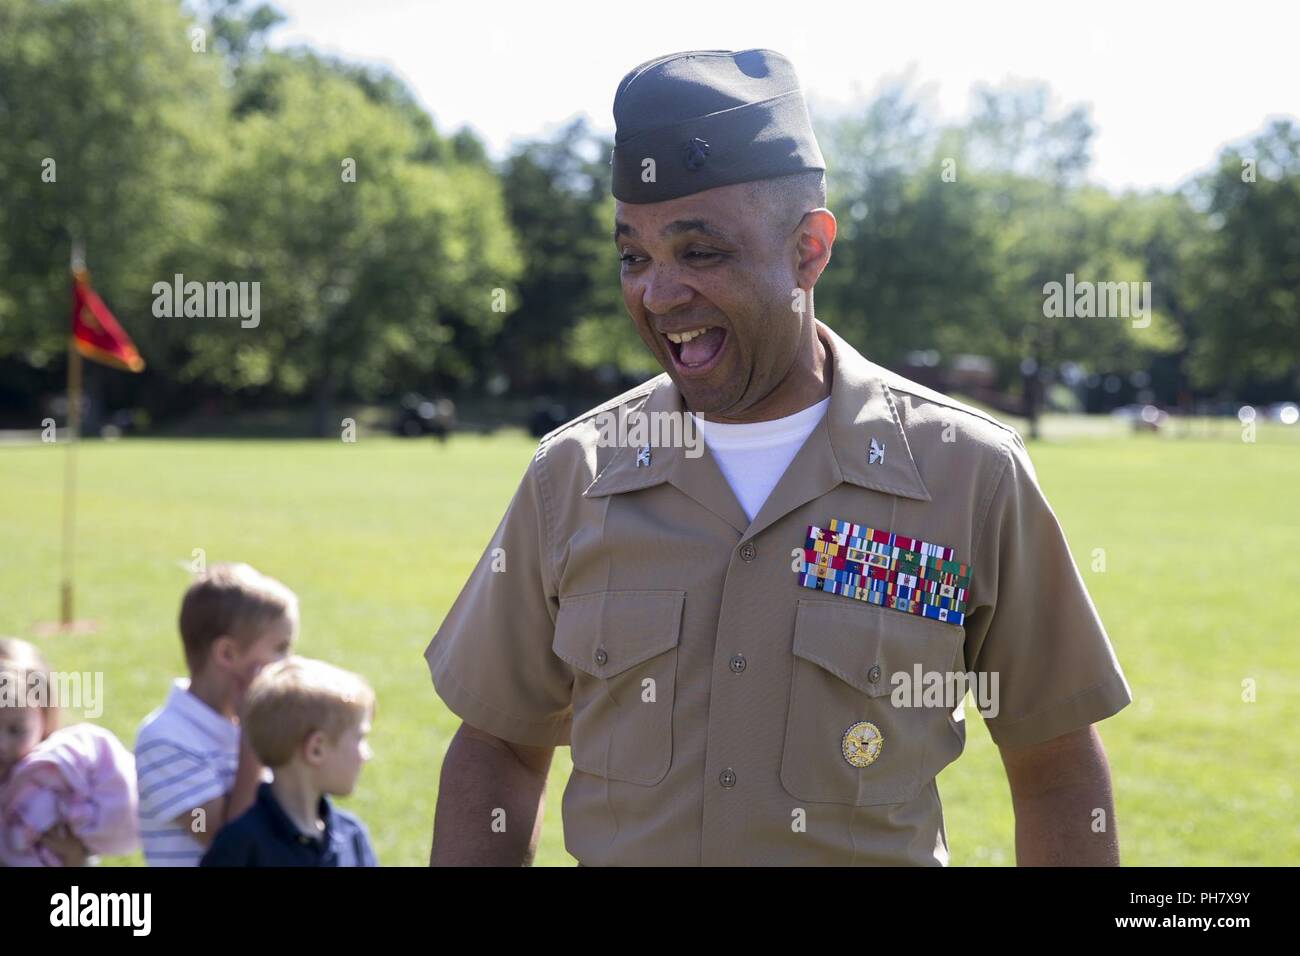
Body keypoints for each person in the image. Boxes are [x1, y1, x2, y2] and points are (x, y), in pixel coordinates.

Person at [425, 48, 1131, 866]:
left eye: (700, 252)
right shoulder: (571, 477)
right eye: (633, 256)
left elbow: (1053, 765)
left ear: (809, 251)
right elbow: (500, 750)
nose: (657, 294)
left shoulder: (968, 472)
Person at [134, 563, 297, 865]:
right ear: (227, 654)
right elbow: (231, 845)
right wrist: (252, 736)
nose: (290, 663)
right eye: (281, 648)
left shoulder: (245, 724)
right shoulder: (164, 739)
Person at [200, 656, 376, 867]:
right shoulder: (239, 845)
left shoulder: (352, 837)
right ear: (316, 749)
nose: (366, 754)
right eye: (360, 738)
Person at [0, 638, 137, 866]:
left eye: (16, 730)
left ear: (44, 717)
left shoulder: (60, 781)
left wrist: (75, 856)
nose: (2, 744)